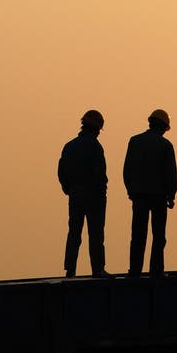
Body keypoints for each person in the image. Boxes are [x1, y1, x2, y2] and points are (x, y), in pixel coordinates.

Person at [58, 110, 113, 278]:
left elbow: (61, 171)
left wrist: (68, 189)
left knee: (74, 232)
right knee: (95, 233)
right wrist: (101, 193)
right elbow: (100, 175)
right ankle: (98, 269)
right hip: (93, 196)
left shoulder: (70, 146)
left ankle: (70, 269)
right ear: (96, 129)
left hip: (75, 194)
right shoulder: (95, 147)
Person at [123, 109, 177, 278]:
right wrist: (171, 195)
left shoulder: (135, 141)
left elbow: (127, 170)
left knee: (138, 235)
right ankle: (156, 270)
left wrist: (131, 190)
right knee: (159, 236)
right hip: (158, 196)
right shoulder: (165, 146)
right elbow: (170, 173)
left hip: (139, 195)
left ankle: (135, 271)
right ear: (163, 127)